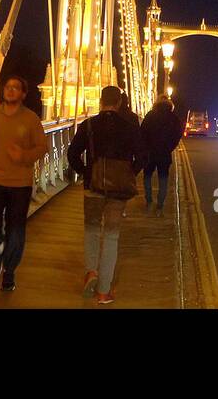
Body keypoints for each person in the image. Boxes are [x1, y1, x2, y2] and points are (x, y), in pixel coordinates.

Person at [66, 85, 143, 304]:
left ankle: (91, 272)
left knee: (91, 229)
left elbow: (72, 154)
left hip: (93, 187)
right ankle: (103, 291)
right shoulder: (130, 126)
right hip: (118, 190)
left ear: (100, 102)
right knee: (111, 236)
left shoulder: (89, 125)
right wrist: (129, 173)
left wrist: (86, 173)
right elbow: (143, 156)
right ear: (119, 103)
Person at [0, 75, 48, 292]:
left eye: (15, 88)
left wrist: (24, 156)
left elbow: (42, 147)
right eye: (7, 87)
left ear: (23, 94)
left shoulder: (31, 119)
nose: (10, 91)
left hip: (20, 182)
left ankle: (9, 272)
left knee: (16, 229)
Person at [138, 94, 182, 216]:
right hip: (164, 153)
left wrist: (145, 148)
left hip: (150, 153)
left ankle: (149, 201)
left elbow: (142, 133)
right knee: (163, 179)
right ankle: (160, 206)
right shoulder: (174, 118)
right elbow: (178, 135)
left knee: (147, 176)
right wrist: (169, 147)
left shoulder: (150, 116)